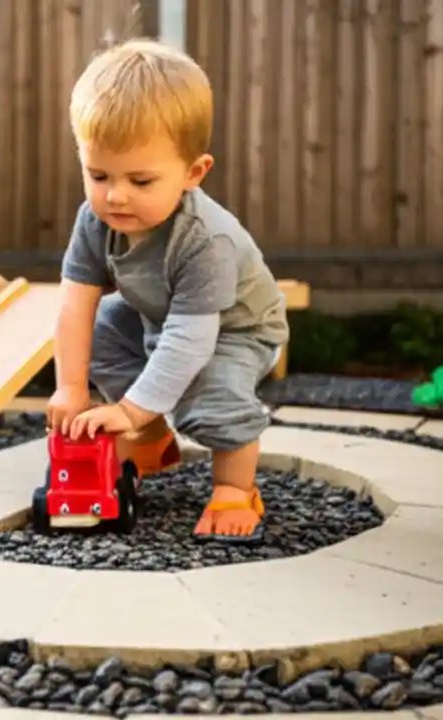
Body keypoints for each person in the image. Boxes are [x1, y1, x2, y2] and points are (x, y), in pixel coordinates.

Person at [45, 38, 288, 543]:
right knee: (106, 328)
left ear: (193, 173)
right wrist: (71, 389)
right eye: (98, 174)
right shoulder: (95, 221)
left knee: (208, 390)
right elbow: (75, 306)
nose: (115, 195)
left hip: (234, 331)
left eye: (140, 179)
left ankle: (235, 487)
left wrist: (131, 409)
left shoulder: (206, 240)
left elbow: (190, 341)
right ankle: (154, 441)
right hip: (160, 317)